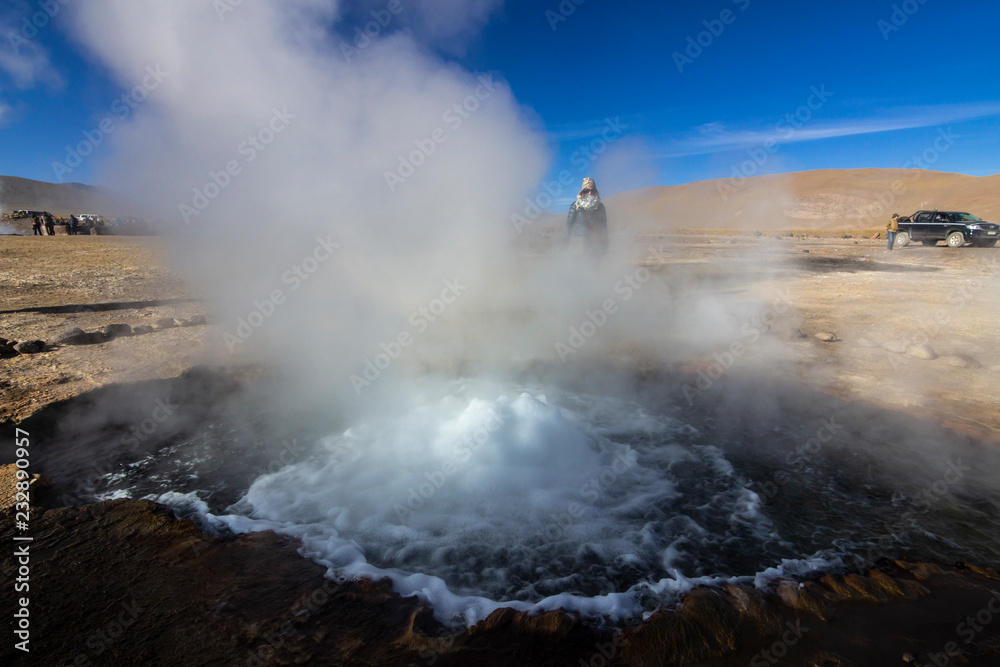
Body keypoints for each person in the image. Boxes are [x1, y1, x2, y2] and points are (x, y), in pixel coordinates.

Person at [564, 177, 608, 260]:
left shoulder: (600, 207)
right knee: (581, 268)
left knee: (595, 268)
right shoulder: (576, 206)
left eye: (592, 190)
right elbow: (569, 227)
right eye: (587, 190)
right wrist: (564, 245)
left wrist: (605, 245)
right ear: (583, 191)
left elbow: (604, 227)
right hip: (579, 244)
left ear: (596, 191)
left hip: (595, 244)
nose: (590, 193)